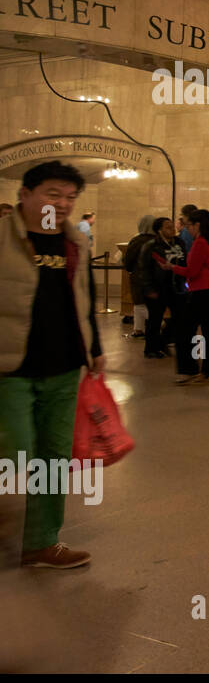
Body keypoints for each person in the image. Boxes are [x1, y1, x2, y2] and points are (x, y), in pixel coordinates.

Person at [0, 161, 103, 568]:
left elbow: (86, 297)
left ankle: (41, 540)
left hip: (64, 365)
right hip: (10, 368)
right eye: (52, 193)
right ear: (25, 194)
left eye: (70, 197)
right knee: (16, 452)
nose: (62, 203)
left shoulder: (76, 241)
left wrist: (94, 349)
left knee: (54, 456)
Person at [161, 209, 209, 386]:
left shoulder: (201, 243)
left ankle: (188, 370)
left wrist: (171, 267)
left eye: (188, 225)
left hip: (200, 293)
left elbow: (192, 271)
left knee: (184, 331)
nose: (187, 229)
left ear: (198, 225)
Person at [136, 216, 182, 358]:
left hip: (175, 287)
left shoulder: (179, 243)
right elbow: (144, 269)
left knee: (179, 317)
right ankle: (151, 349)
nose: (172, 229)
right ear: (159, 230)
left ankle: (163, 341)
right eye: (168, 227)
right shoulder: (151, 246)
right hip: (157, 287)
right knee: (155, 320)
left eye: (172, 226)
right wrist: (149, 288)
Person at [121, 214, 156, 338]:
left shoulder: (138, 240)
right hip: (155, 278)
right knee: (141, 304)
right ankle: (138, 329)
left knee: (139, 303)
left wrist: (129, 269)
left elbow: (129, 258)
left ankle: (160, 323)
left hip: (139, 276)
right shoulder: (158, 239)